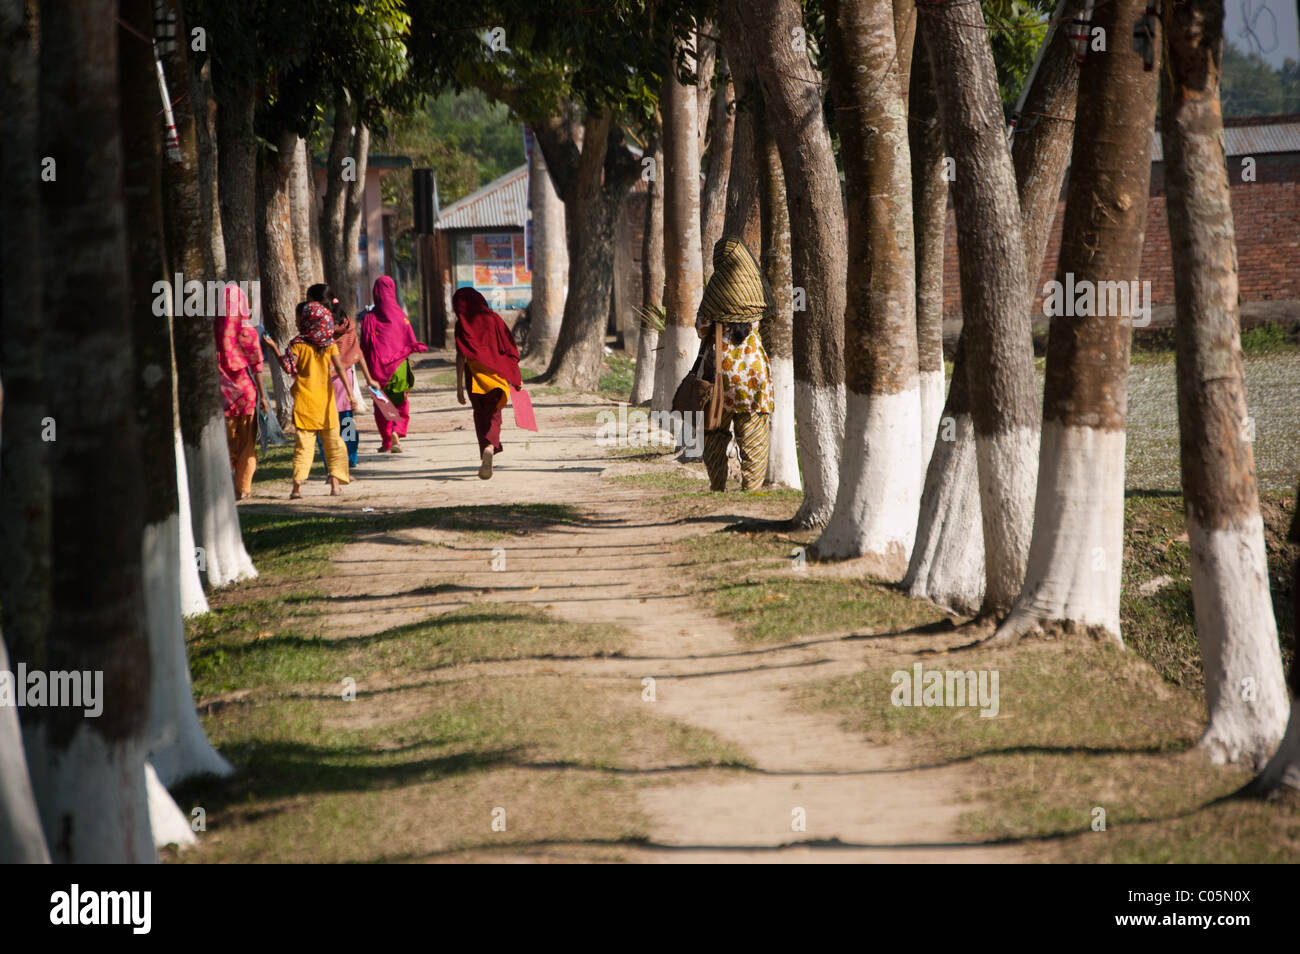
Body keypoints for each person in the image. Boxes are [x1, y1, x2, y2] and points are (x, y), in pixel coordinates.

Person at [695, 236, 775, 492]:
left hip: (720, 375)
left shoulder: (715, 290)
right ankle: (751, 487)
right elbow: (768, 321)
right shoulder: (757, 287)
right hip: (754, 376)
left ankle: (718, 484)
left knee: (714, 433)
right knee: (754, 435)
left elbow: (701, 328)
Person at [263, 301, 353, 498]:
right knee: (333, 443)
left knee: (303, 446)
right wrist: (350, 393)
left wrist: (273, 348)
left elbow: (288, 368)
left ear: (306, 321)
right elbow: (339, 368)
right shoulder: (329, 344)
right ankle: (335, 486)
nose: (296, 321)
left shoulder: (297, 344)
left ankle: (297, 486)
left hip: (305, 402)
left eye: (298, 317)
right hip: (326, 403)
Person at [307, 284, 378, 469]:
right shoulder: (345, 322)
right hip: (345, 378)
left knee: (325, 424)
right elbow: (357, 352)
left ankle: (330, 463)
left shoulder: (316, 327)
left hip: (323, 378)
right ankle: (350, 458)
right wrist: (369, 379)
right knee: (347, 420)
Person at [453, 287, 521, 480]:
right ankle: (490, 447)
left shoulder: (462, 324)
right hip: (496, 376)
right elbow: (509, 349)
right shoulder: (495, 319)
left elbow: (461, 356)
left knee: (480, 415)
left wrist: (459, 387)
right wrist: (515, 376)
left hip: (474, 378)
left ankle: (485, 448)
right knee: (494, 415)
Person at [360, 275, 427, 453]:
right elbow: (409, 339)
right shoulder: (400, 316)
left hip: (376, 370)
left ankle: (387, 440)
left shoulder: (369, 318)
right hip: (398, 369)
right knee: (400, 402)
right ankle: (397, 431)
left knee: (382, 404)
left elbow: (364, 346)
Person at [215, 283, 269, 500]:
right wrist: (264, 396)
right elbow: (257, 366)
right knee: (248, 445)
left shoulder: (212, 330)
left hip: (223, 397)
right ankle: (243, 488)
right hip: (247, 396)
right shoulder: (248, 331)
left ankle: (225, 487)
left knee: (226, 446)